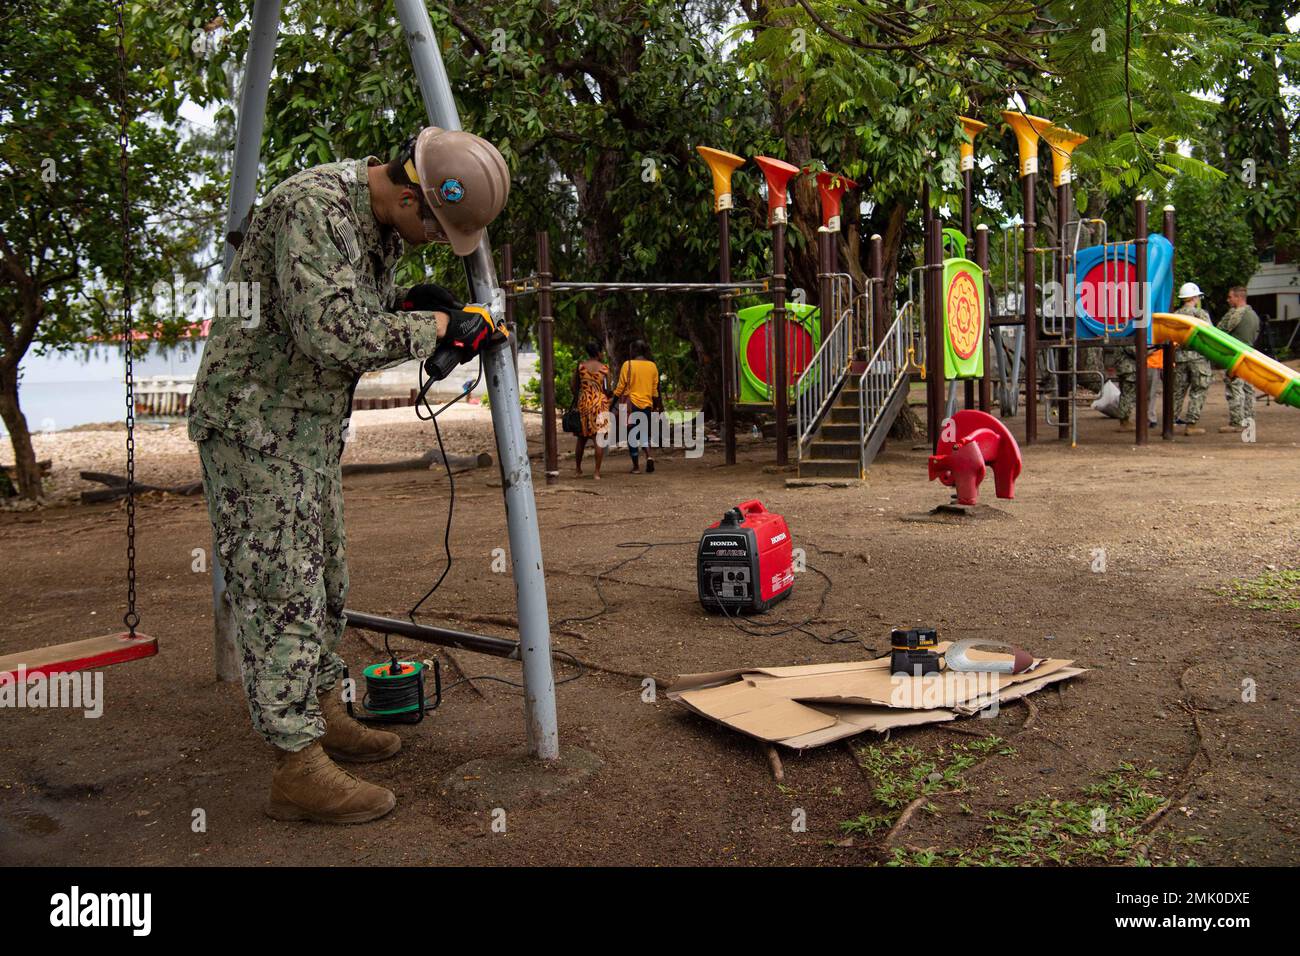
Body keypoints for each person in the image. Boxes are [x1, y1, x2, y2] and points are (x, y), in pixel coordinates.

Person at [187, 127, 510, 824]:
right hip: (253, 428)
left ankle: (324, 711)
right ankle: (294, 766)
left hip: (300, 427)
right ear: (407, 193)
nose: (428, 241)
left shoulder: (378, 222)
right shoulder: (315, 209)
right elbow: (332, 333)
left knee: (326, 577)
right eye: (434, 227)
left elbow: (349, 309)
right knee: (281, 590)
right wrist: (438, 331)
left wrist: (408, 308)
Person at [1217, 285, 1261, 433]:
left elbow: (1219, 331)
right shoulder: (1253, 314)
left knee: (1234, 388)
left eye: (1230, 297)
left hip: (1235, 356)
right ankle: (1249, 419)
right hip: (1250, 355)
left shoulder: (1235, 313)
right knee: (1248, 389)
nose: (1228, 300)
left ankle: (1236, 422)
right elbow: (1255, 335)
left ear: (1238, 297)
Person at [613, 339, 661, 473]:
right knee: (643, 432)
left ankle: (636, 467)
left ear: (633, 351)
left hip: (630, 405)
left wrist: (612, 404)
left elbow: (620, 387)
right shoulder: (652, 366)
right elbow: (654, 390)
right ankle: (649, 456)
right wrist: (656, 406)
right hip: (647, 405)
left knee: (632, 435)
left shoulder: (627, 365)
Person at [1172, 281, 1213, 436]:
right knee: (1199, 390)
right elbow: (1210, 335)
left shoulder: (1175, 316)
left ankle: (1170, 422)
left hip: (1180, 357)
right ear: (1195, 297)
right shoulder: (1201, 314)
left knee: (1178, 391)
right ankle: (1191, 425)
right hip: (1198, 358)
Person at [571, 341, 611, 479]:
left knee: (581, 439)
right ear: (598, 353)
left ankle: (577, 469)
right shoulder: (605, 368)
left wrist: (580, 396)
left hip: (584, 403)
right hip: (600, 404)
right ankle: (597, 473)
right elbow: (607, 389)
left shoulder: (581, 367)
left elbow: (574, 386)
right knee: (598, 439)